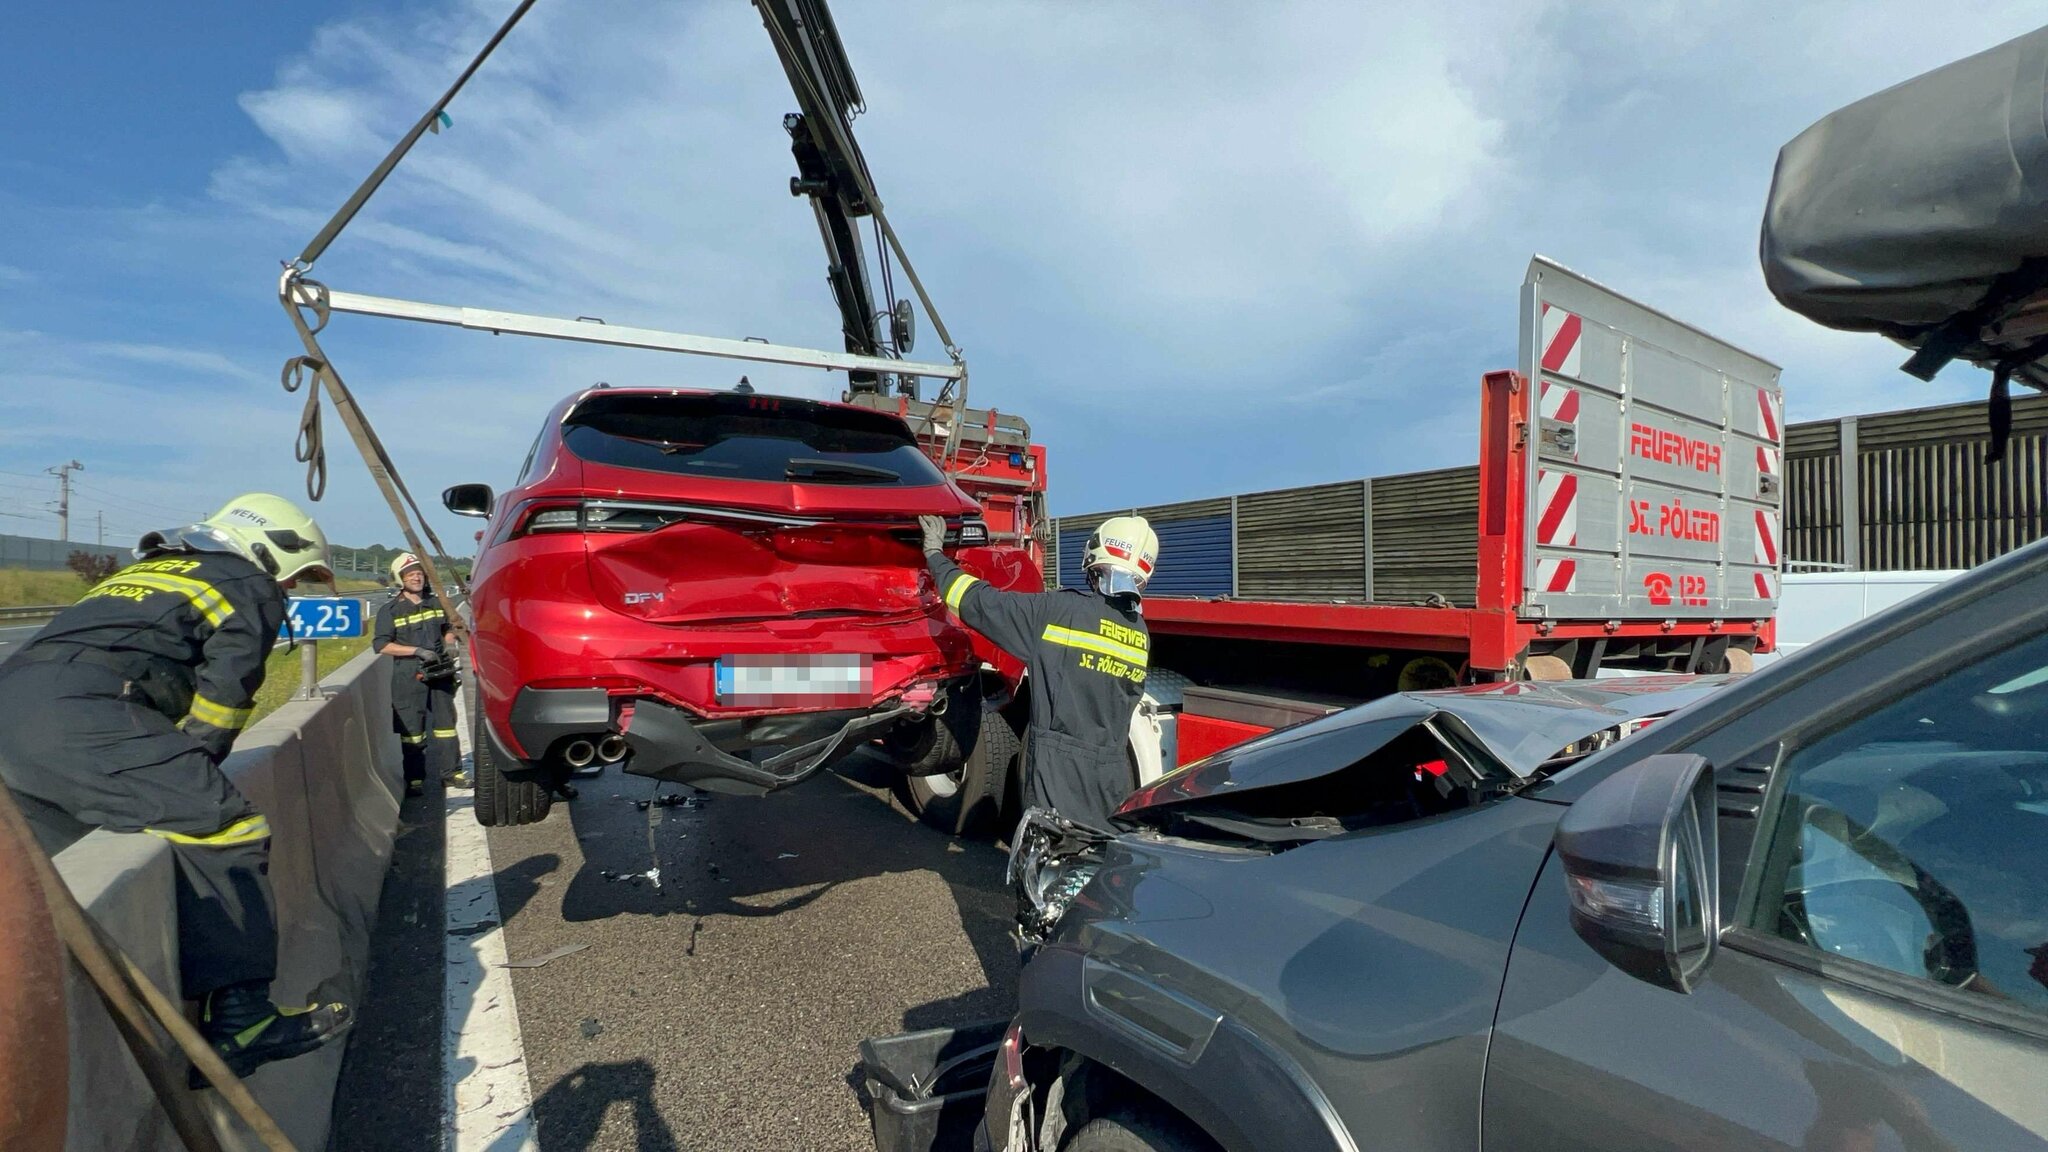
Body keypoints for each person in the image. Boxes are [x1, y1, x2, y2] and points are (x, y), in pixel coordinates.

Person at [0, 493, 352, 1080]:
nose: (289, 591)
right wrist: (190, 771)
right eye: (293, 578)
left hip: (15, 708)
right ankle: (245, 1020)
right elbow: (224, 700)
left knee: (49, 870)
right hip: (82, 712)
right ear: (270, 548)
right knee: (226, 823)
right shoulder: (247, 581)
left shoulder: (146, 570)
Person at [918, 513, 1159, 832]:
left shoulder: (1058, 613)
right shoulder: (1138, 633)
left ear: (1094, 557)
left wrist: (935, 555)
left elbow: (976, 602)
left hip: (1058, 774)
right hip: (1112, 778)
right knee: (1094, 863)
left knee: (1048, 867)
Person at [372, 553, 464, 797]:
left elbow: (448, 628)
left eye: (419, 573)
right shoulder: (390, 611)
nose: (416, 577)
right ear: (400, 579)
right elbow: (381, 645)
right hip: (408, 674)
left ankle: (452, 773)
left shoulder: (435, 604)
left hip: (439, 671)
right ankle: (415, 780)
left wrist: (450, 643)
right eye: (410, 574)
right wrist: (416, 651)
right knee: (412, 732)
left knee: (446, 726)